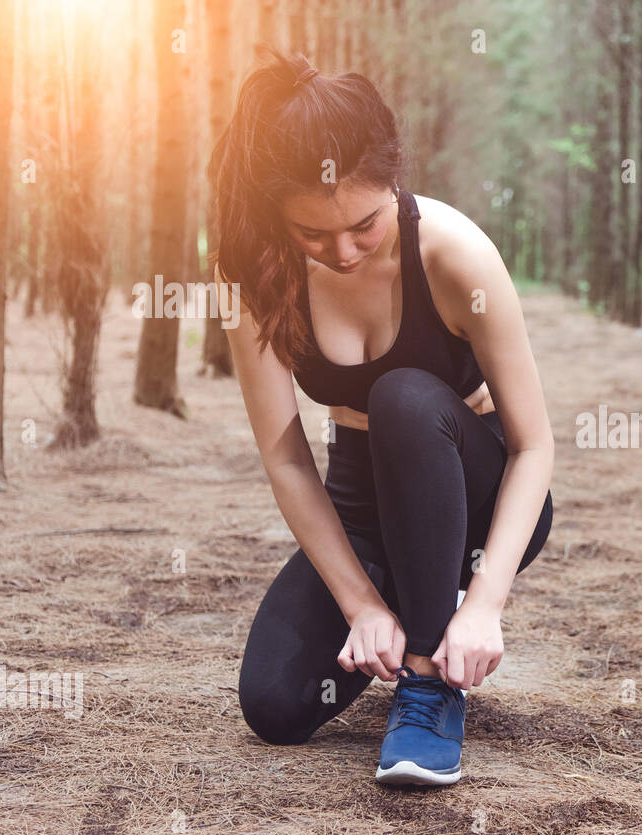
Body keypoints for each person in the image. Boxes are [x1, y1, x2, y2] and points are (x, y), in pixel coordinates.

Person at [207, 47, 555, 787]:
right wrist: (361, 604)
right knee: (274, 703)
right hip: (363, 499)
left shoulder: (456, 255)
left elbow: (533, 447)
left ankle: (430, 682)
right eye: (312, 234)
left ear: (394, 177)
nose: (341, 251)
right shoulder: (251, 271)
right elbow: (288, 456)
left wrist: (486, 600)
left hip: (476, 495)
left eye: (363, 224)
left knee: (402, 395)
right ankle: (407, 598)